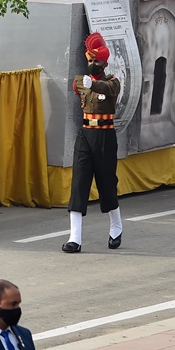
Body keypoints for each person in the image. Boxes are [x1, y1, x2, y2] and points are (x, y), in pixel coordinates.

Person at [63, 32, 122, 253]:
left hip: (105, 137)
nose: (92, 64)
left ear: (105, 62)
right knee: (79, 184)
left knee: (107, 184)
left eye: (96, 61)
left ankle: (116, 226)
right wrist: (88, 83)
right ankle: (75, 238)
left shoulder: (113, 82)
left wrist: (94, 85)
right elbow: (78, 86)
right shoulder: (80, 81)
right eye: (90, 60)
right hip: (86, 135)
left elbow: (109, 90)